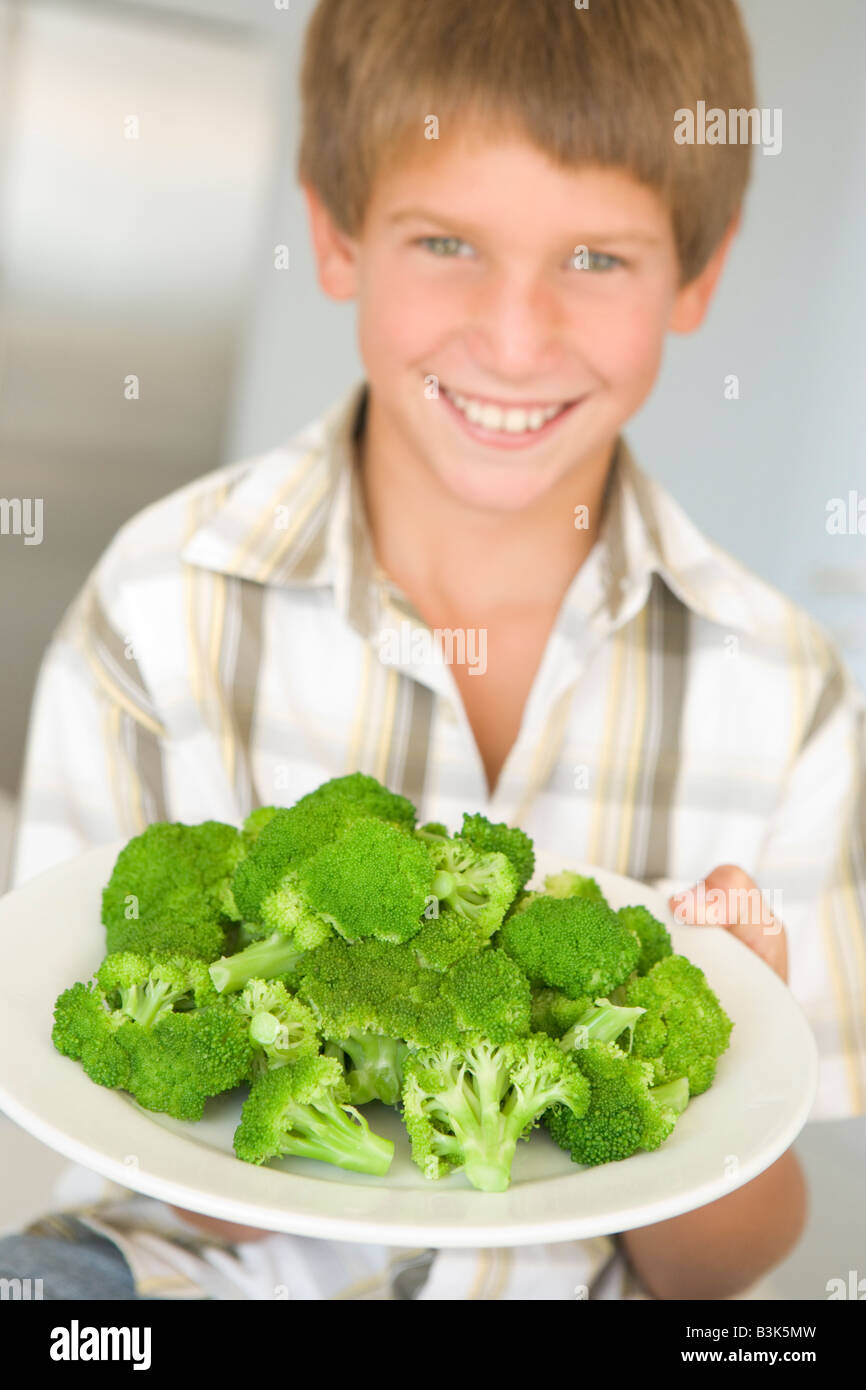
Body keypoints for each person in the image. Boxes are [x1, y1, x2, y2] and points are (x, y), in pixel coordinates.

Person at [2, 0, 864, 1301]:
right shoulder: (160, 603)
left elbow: (724, 1263)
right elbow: (116, 1102)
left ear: (697, 272)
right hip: (177, 1275)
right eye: (447, 240)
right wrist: (240, 1060)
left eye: (596, 259)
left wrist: (725, 1040)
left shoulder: (788, 689)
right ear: (336, 234)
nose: (514, 338)